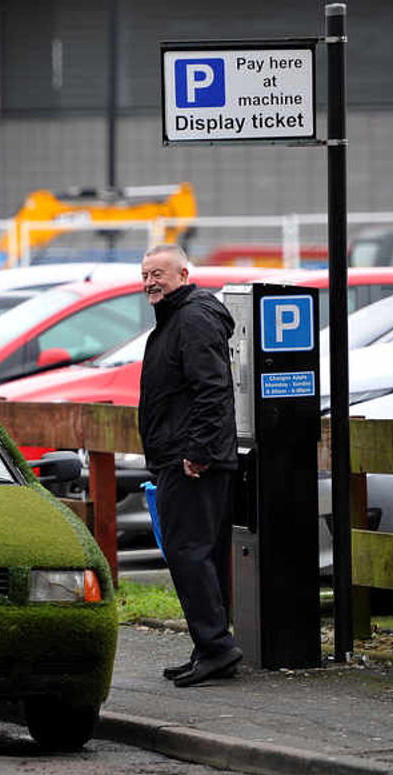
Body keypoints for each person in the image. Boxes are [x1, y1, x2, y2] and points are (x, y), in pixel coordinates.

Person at [137, 243, 242, 687]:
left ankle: (217, 648)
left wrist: (197, 452)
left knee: (188, 553)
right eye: (145, 276)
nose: (150, 283)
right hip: (183, 457)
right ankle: (209, 646)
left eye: (158, 274)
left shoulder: (193, 317)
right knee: (200, 554)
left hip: (192, 461)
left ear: (183, 273)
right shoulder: (178, 318)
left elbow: (212, 389)